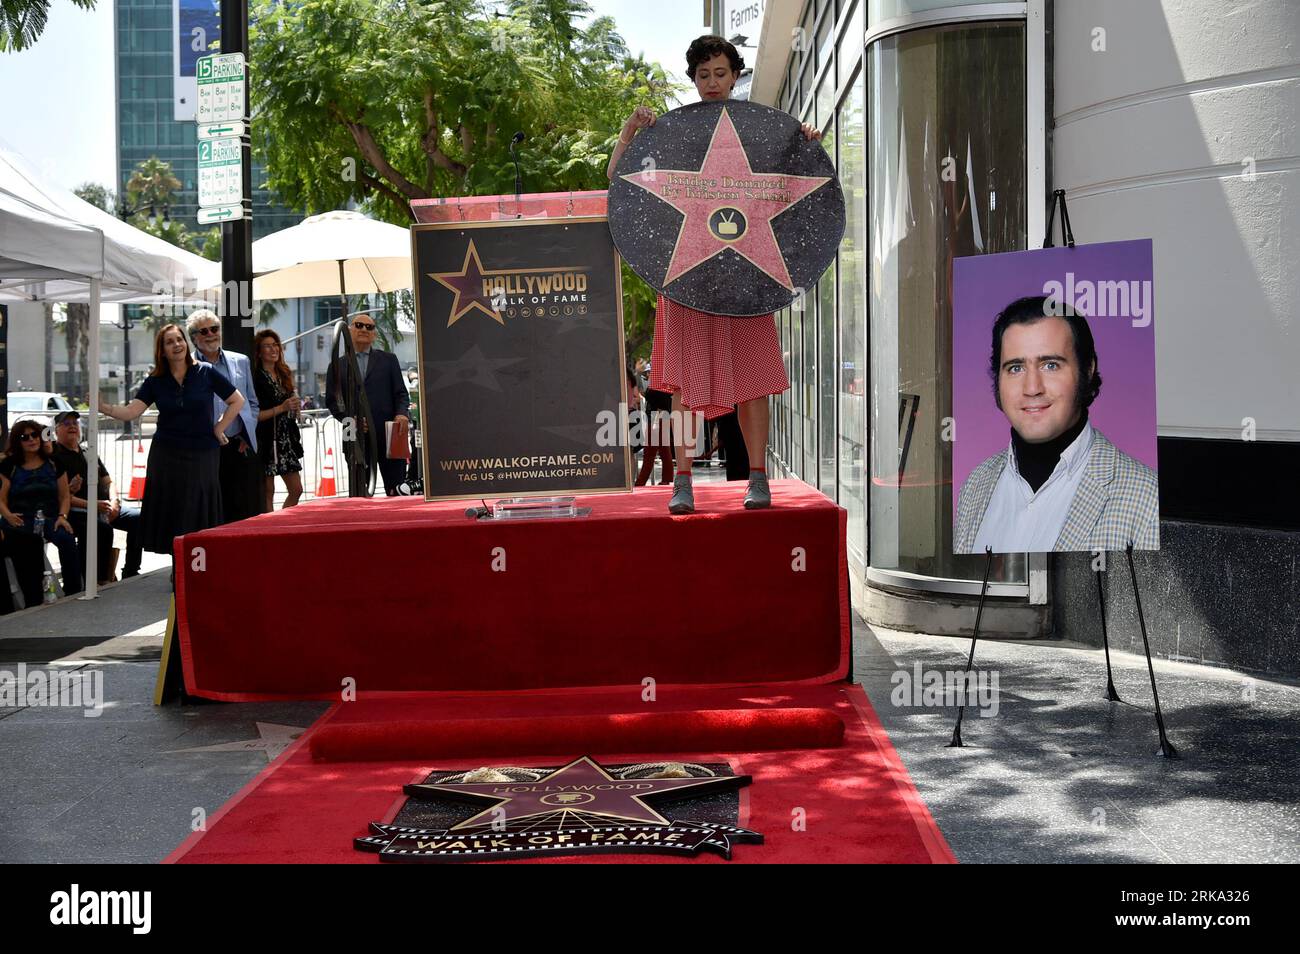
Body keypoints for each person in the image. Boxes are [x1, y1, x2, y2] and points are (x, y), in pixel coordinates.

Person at [608, 34, 820, 513]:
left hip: (748, 279)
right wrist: (628, 132)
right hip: (685, 282)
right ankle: (682, 482)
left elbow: (793, 180)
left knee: (755, 381)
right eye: (703, 75)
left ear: (735, 74)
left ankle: (759, 477)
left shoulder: (760, 129)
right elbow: (617, 182)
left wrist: (806, 141)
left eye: (720, 73)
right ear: (694, 79)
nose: (712, 83)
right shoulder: (676, 132)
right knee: (681, 384)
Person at [954, 295, 1159, 553]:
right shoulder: (975, 486)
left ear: (1087, 370)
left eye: (1050, 365)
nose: (1032, 388)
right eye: (1016, 368)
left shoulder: (1147, 499)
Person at [98, 323, 246, 565]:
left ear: (186, 344)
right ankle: (178, 564)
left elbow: (236, 401)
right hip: (166, 454)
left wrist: (219, 427)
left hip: (202, 452)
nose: (177, 344)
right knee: (173, 508)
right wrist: (104, 407)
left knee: (197, 507)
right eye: (170, 342)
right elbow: (131, 411)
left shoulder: (206, 372)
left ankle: (199, 564)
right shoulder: (156, 381)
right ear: (162, 351)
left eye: (179, 339)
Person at [50, 410, 143, 583]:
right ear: (56, 430)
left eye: (75, 423)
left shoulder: (89, 452)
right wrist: (92, 505)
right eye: (66, 423)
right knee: (101, 529)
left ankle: (131, 570)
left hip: (103, 506)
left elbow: (108, 482)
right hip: (76, 509)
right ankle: (98, 579)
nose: (72, 427)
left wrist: (115, 501)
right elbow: (61, 495)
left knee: (139, 518)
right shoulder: (55, 456)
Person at [187, 310, 262, 523]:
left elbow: (252, 402)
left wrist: (247, 434)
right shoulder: (187, 367)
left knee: (239, 506)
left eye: (215, 328)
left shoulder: (241, 361)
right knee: (209, 506)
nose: (211, 334)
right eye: (204, 331)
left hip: (236, 445)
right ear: (194, 337)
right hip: (204, 446)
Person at [325, 315, 411, 496]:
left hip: (389, 436)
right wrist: (350, 419)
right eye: (359, 325)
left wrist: (402, 414)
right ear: (349, 330)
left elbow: (402, 394)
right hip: (355, 436)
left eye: (370, 327)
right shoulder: (336, 365)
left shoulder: (389, 360)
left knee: (396, 490)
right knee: (359, 494)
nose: (364, 329)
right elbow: (333, 402)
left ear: (374, 335)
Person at [0, 418, 81, 602]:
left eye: (35, 435)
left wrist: (63, 516)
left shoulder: (54, 463)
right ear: (17, 441)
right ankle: (31, 598)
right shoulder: (9, 465)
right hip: (19, 518)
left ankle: (74, 593)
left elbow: (64, 496)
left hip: (50, 517)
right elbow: (1, 499)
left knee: (67, 540)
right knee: (26, 545)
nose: (31, 440)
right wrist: (8, 516)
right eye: (24, 437)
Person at [252, 329, 304, 511]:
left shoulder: (284, 372)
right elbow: (255, 415)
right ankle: (268, 529)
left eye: (275, 345)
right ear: (259, 351)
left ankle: (279, 522)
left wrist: (295, 407)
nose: (273, 349)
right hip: (267, 439)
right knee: (268, 490)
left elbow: (290, 402)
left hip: (286, 439)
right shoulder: (256, 378)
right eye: (267, 346)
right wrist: (282, 407)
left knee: (296, 489)